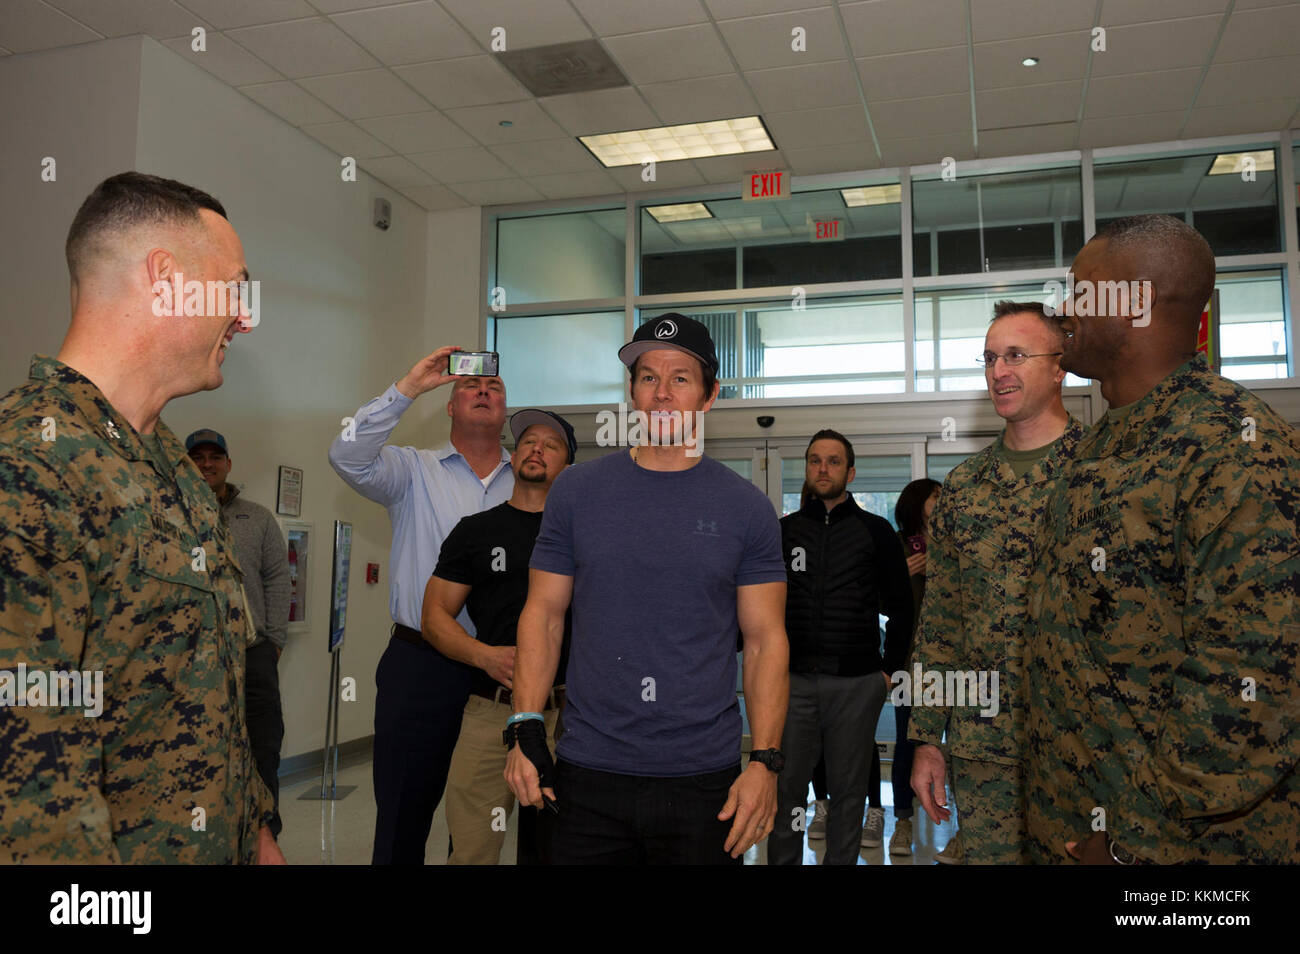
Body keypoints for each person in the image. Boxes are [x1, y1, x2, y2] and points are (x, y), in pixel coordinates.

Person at [0, 171, 282, 863]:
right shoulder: (29, 467)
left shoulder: (172, 466)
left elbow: (207, 688)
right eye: (236, 288)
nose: (244, 318)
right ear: (166, 278)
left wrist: (258, 831)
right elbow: (30, 779)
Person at [1023, 214, 1300, 864]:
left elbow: (1253, 681)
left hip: (1177, 855)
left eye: (1081, 291)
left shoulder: (1237, 449)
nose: (1064, 310)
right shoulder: (1096, 446)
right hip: (1068, 823)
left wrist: (1130, 844)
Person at [504, 313, 790, 865]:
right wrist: (525, 725)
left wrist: (765, 761)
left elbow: (764, 641)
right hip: (587, 771)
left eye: (681, 378)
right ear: (632, 393)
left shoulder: (747, 509)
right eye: (647, 376)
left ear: (708, 397)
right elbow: (543, 615)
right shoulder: (577, 492)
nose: (662, 392)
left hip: (704, 779)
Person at [909, 300, 1084, 865]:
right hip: (984, 751)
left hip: (1085, 751)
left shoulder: (1106, 471)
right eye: (989, 358)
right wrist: (928, 739)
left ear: (1060, 366)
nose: (998, 371)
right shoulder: (964, 488)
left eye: (1015, 355)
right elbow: (941, 623)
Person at [329, 349, 512, 865]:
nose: (483, 391)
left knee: (478, 828)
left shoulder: (529, 483)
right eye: (471, 386)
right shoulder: (412, 470)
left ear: (505, 410)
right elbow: (346, 455)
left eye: (494, 387)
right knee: (402, 817)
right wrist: (408, 387)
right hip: (421, 664)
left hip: (500, 671)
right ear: (449, 406)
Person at [423, 409, 576, 865]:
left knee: (560, 847)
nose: (537, 449)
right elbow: (434, 617)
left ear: (567, 467)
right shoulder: (476, 531)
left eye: (551, 445)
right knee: (472, 848)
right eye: (528, 441)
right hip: (491, 711)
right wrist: (484, 656)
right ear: (512, 457)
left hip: (570, 719)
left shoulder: (582, 534)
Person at [769, 430, 913, 865]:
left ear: (850, 472)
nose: (823, 469)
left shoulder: (876, 531)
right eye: (815, 461)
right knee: (786, 792)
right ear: (807, 469)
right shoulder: (783, 532)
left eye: (833, 461)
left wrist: (887, 673)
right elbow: (764, 605)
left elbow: (903, 608)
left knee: (849, 794)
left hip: (856, 683)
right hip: (791, 684)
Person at [186, 427, 291, 839]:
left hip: (254, 654)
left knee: (263, 746)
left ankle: (267, 836)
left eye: (215, 457)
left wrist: (275, 640)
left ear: (228, 464)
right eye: (198, 457)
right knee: (200, 748)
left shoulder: (258, 518)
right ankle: (209, 834)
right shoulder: (173, 513)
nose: (207, 464)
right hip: (194, 658)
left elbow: (278, 581)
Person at [888, 477, 940, 857]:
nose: (942, 500)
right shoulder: (896, 545)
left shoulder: (958, 542)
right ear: (916, 503)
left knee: (959, 746)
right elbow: (874, 598)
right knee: (908, 742)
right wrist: (900, 576)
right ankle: (902, 821)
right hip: (910, 663)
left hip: (955, 666)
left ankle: (962, 828)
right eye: (935, 495)